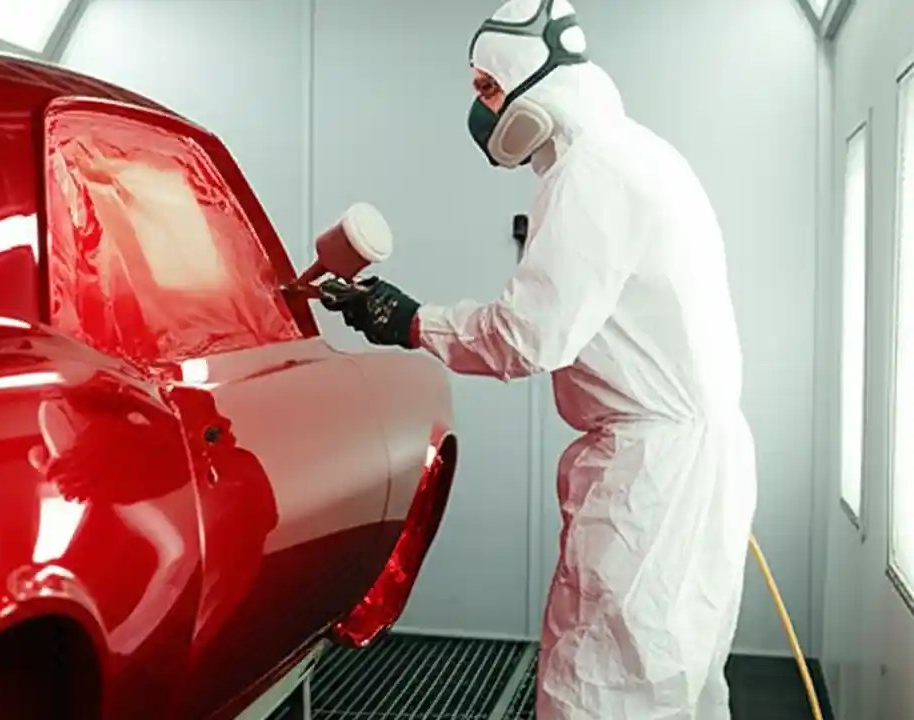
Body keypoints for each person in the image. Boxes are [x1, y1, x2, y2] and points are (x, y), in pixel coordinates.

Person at [319, 0, 758, 718]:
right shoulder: (641, 153)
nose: (482, 113)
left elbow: (530, 335)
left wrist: (409, 322)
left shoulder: (592, 171)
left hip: (650, 478)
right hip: (698, 462)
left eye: (487, 90)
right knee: (675, 682)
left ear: (531, 80)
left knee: (602, 688)